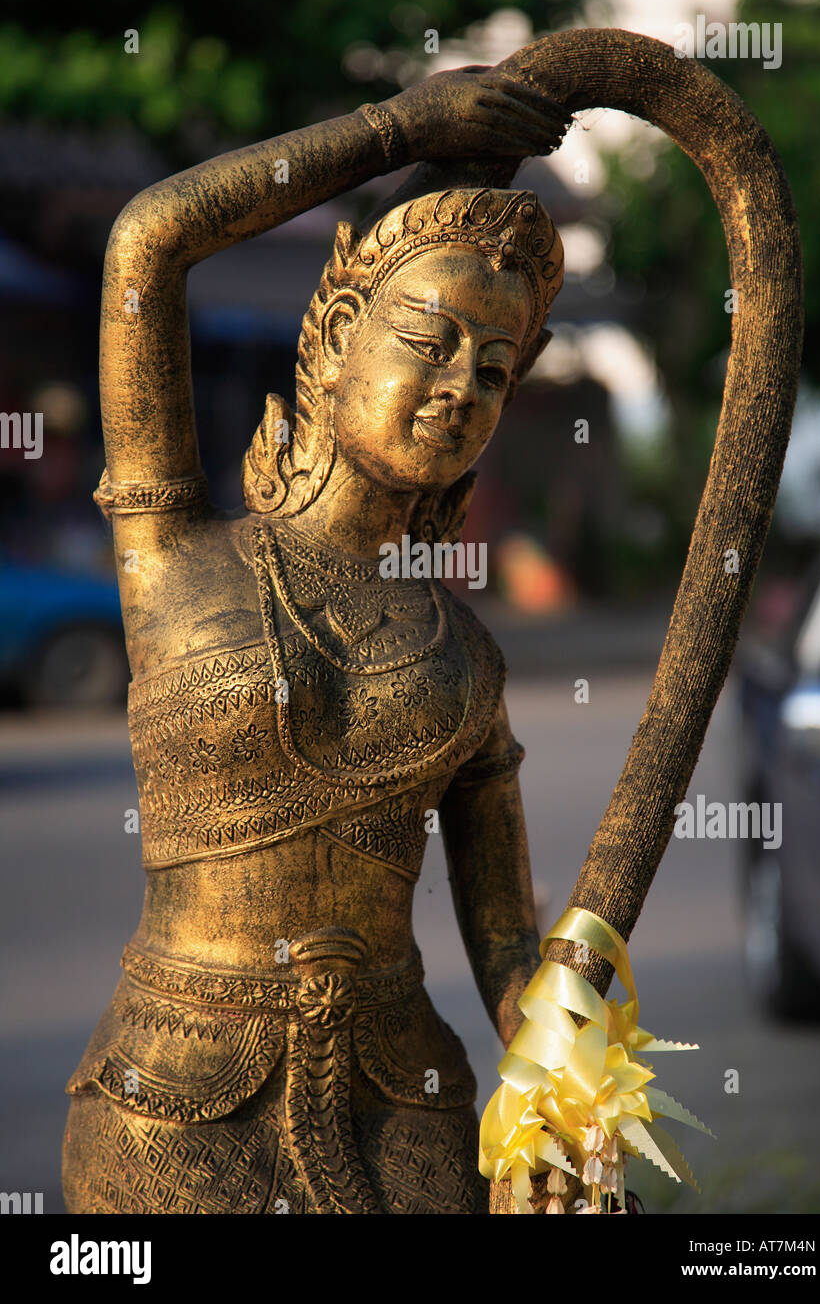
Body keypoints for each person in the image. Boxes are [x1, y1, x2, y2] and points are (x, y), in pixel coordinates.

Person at [62, 66, 569, 1214]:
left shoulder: (464, 655)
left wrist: (564, 1103)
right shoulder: (175, 554)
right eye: (429, 341)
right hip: (169, 1100)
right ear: (339, 335)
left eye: (494, 372)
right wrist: (400, 128)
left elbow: (504, 941)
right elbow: (149, 243)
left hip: (406, 1105)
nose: (459, 387)